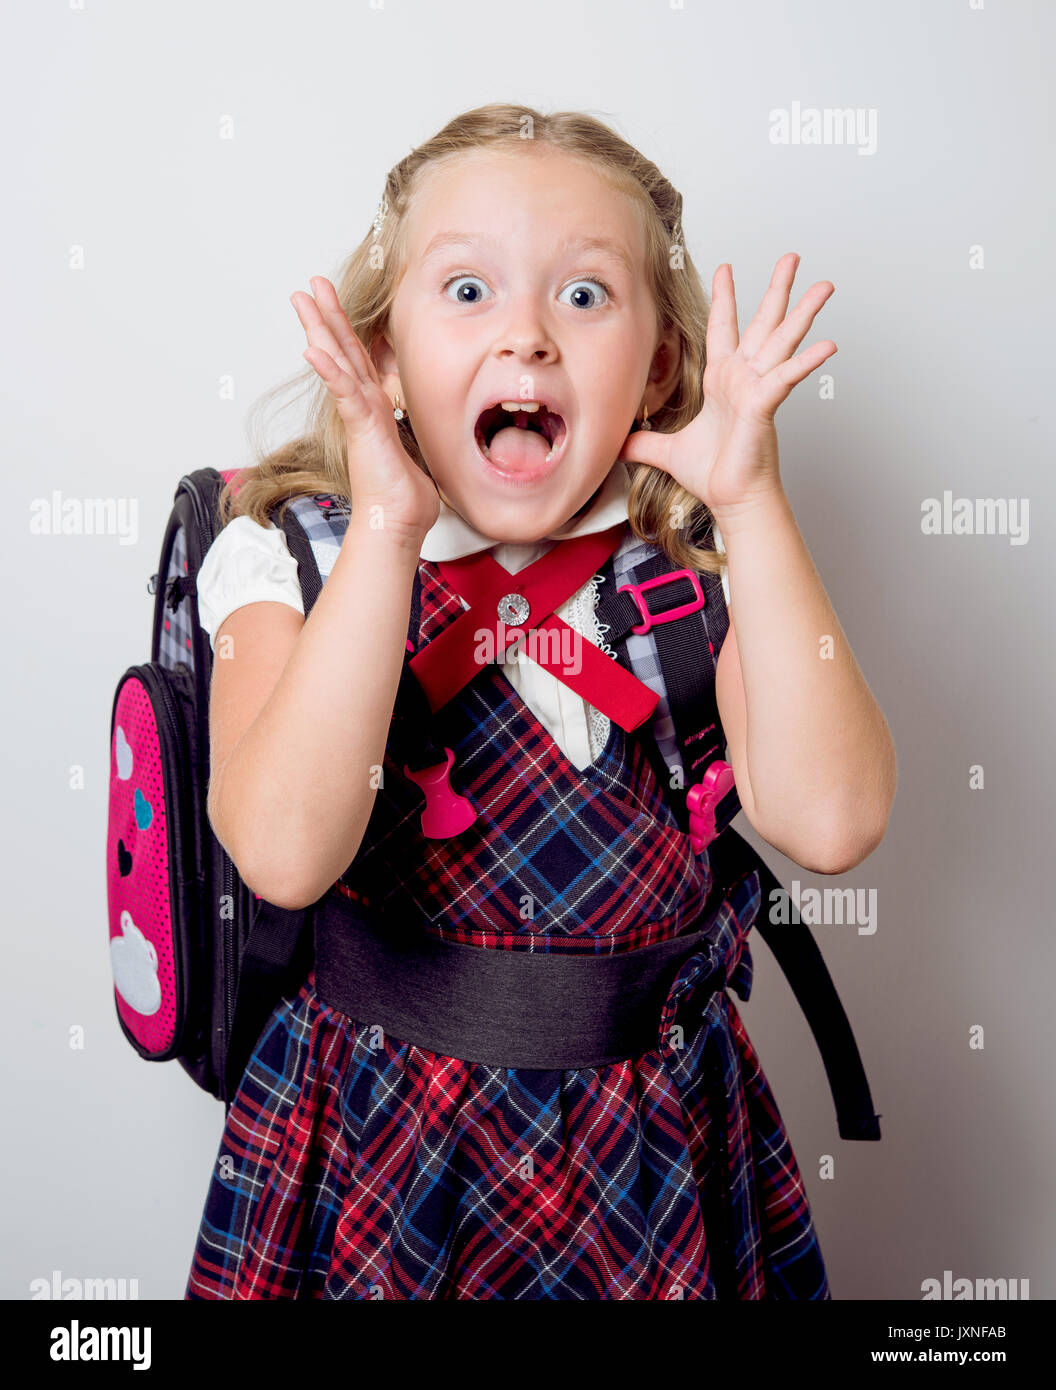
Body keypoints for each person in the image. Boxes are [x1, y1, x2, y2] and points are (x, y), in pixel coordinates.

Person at [184, 103, 896, 1300]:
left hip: (653, 1161)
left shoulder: (704, 564)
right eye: (467, 291)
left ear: (660, 365)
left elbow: (832, 824)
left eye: (583, 295)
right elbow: (285, 857)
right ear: (387, 354)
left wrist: (757, 506)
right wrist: (388, 532)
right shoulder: (290, 556)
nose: (526, 335)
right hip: (369, 1153)